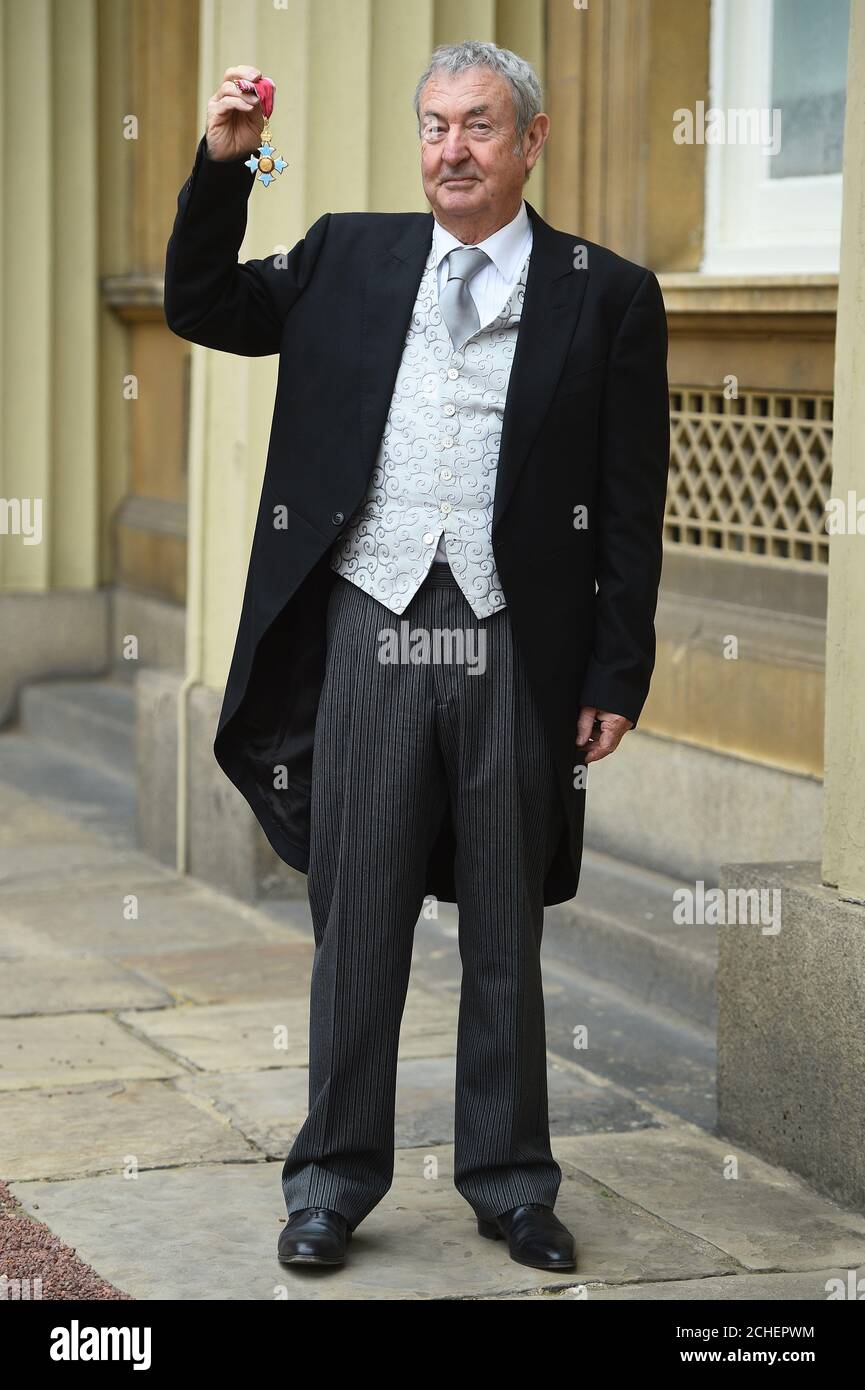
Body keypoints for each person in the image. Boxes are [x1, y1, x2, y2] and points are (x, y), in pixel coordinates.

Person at [164, 40, 670, 1274]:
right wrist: (224, 171)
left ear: (532, 141)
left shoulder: (604, 292)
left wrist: (614, 669)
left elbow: (629, 497)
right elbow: (202, 305)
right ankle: (331, 1181)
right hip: (372, 623)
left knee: (504, 923)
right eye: (435, 126)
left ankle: (509, 1184)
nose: (452, 149)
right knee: (361, 916)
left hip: (512, 640)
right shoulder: (348, 253)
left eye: (480, 126)